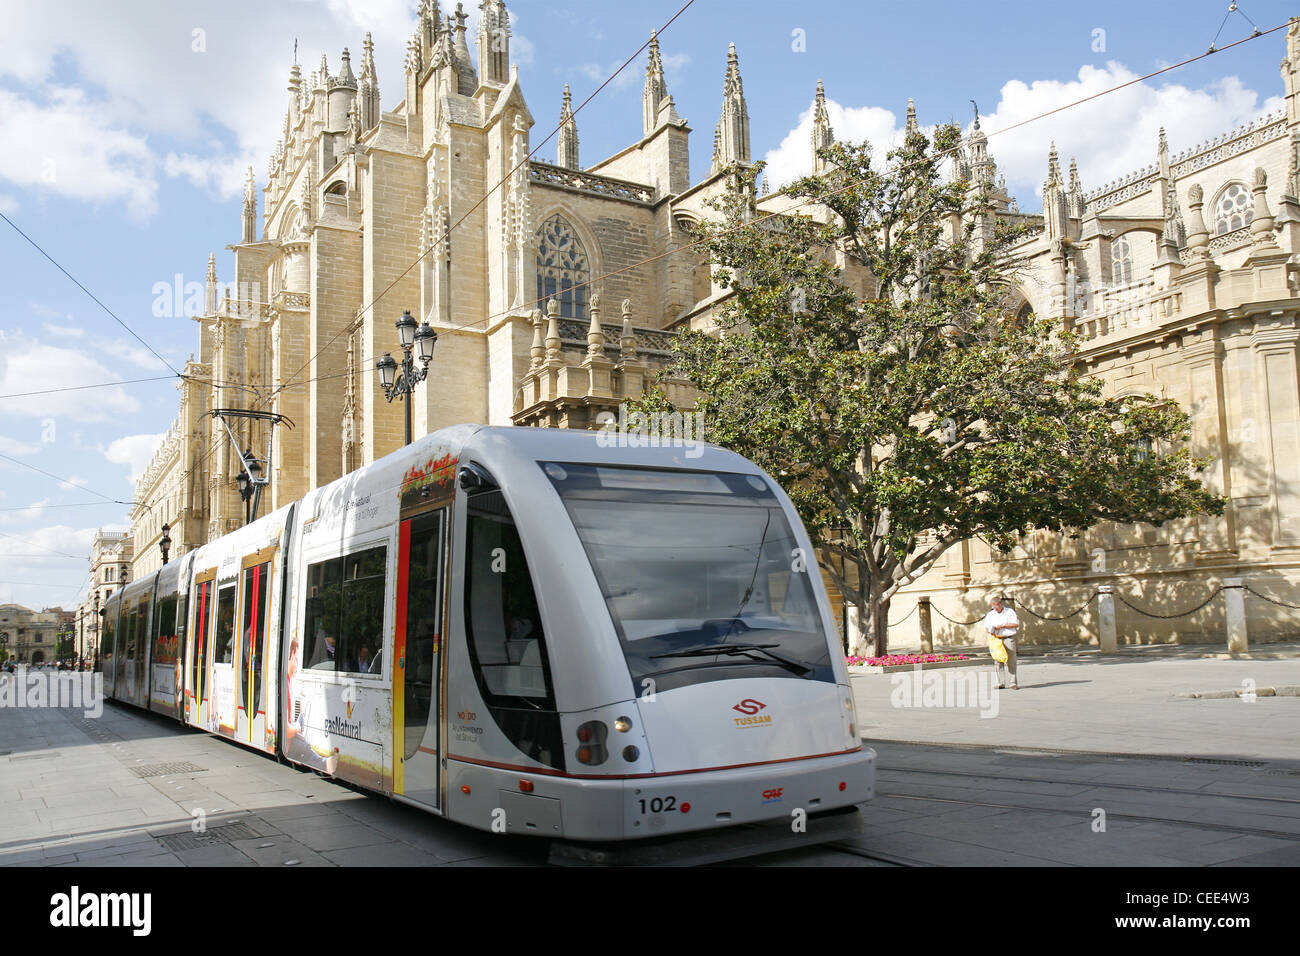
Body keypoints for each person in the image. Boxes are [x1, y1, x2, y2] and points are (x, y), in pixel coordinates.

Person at [983, 594, 1020, 690]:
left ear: (1001, 604)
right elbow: (986, 627)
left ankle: (1013, 682)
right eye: (993, 607)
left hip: (1008, 637)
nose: (995, 608)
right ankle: (1001, 682)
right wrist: (991, 629)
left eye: (997, 606)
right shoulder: (990, 614)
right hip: (996, 638)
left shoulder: (1009, 612)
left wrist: (1003, 626)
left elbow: (1015, 624)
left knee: (1011, 660)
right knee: (998, 660)